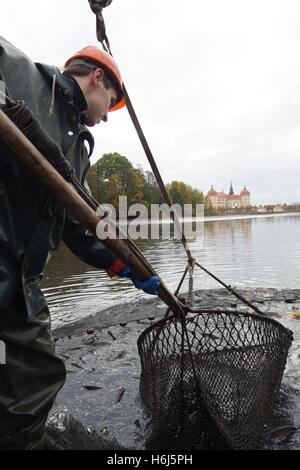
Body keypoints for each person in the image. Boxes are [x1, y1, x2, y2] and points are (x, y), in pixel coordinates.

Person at [0, 37, 160, 450]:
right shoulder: (21, 75)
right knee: (33, 377)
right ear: (96, 77)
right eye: (110, 101)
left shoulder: (74, 146)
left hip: (21, 288)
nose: (107, 117)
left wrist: (124, 266)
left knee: (32, 374)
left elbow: (76, 222)